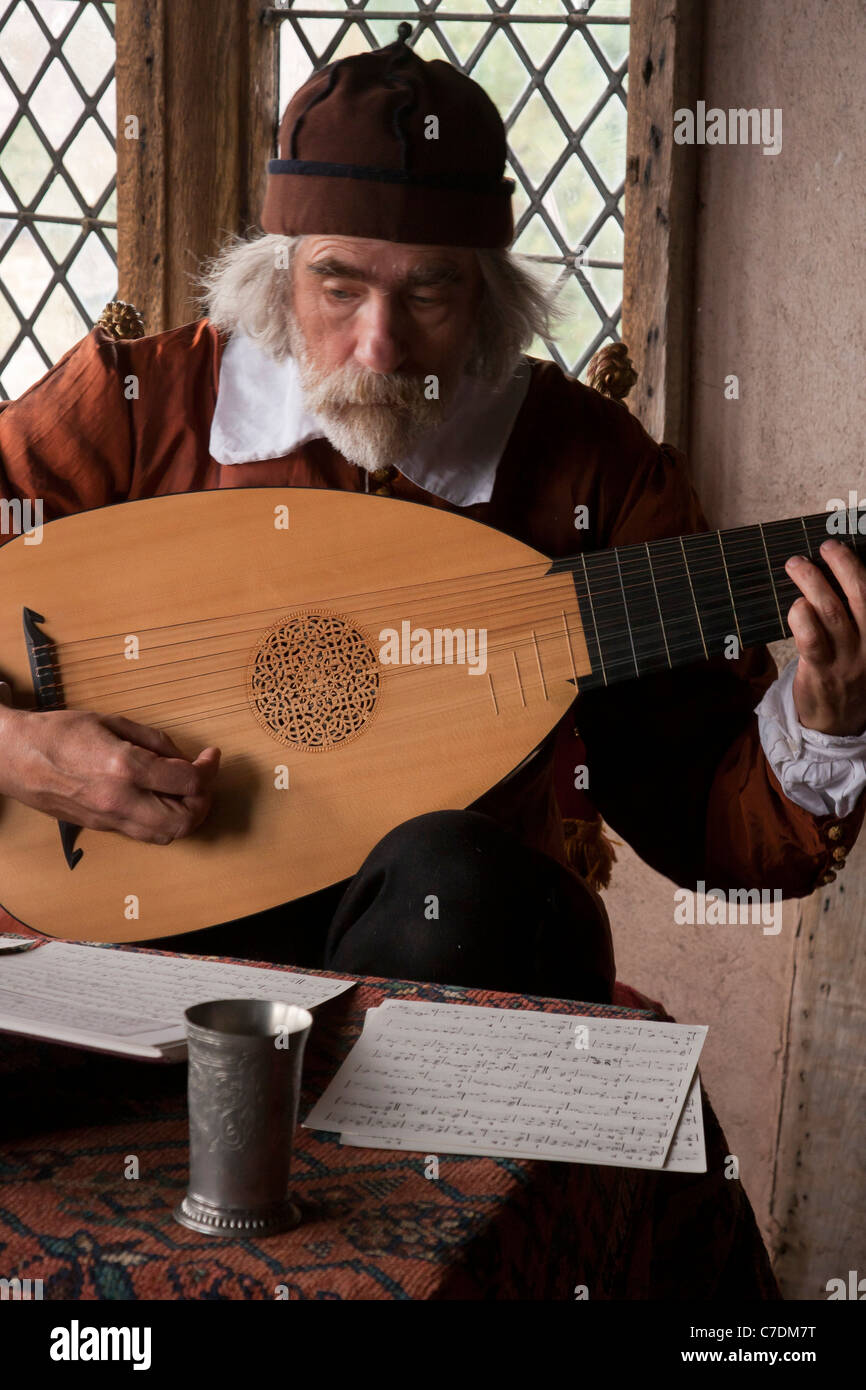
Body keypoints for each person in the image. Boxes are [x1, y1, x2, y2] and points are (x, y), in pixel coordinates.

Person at [0, 27, 864, 1002]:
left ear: (488, 294)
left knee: (452, 881)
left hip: (431, 947)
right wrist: (15, 747)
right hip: (127, 917)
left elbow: (708, 822)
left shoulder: (591, 469)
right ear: (278, 275)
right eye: (338, 285)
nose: (379, 346)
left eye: (428, 290)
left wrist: (823, 724)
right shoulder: (139, 408)